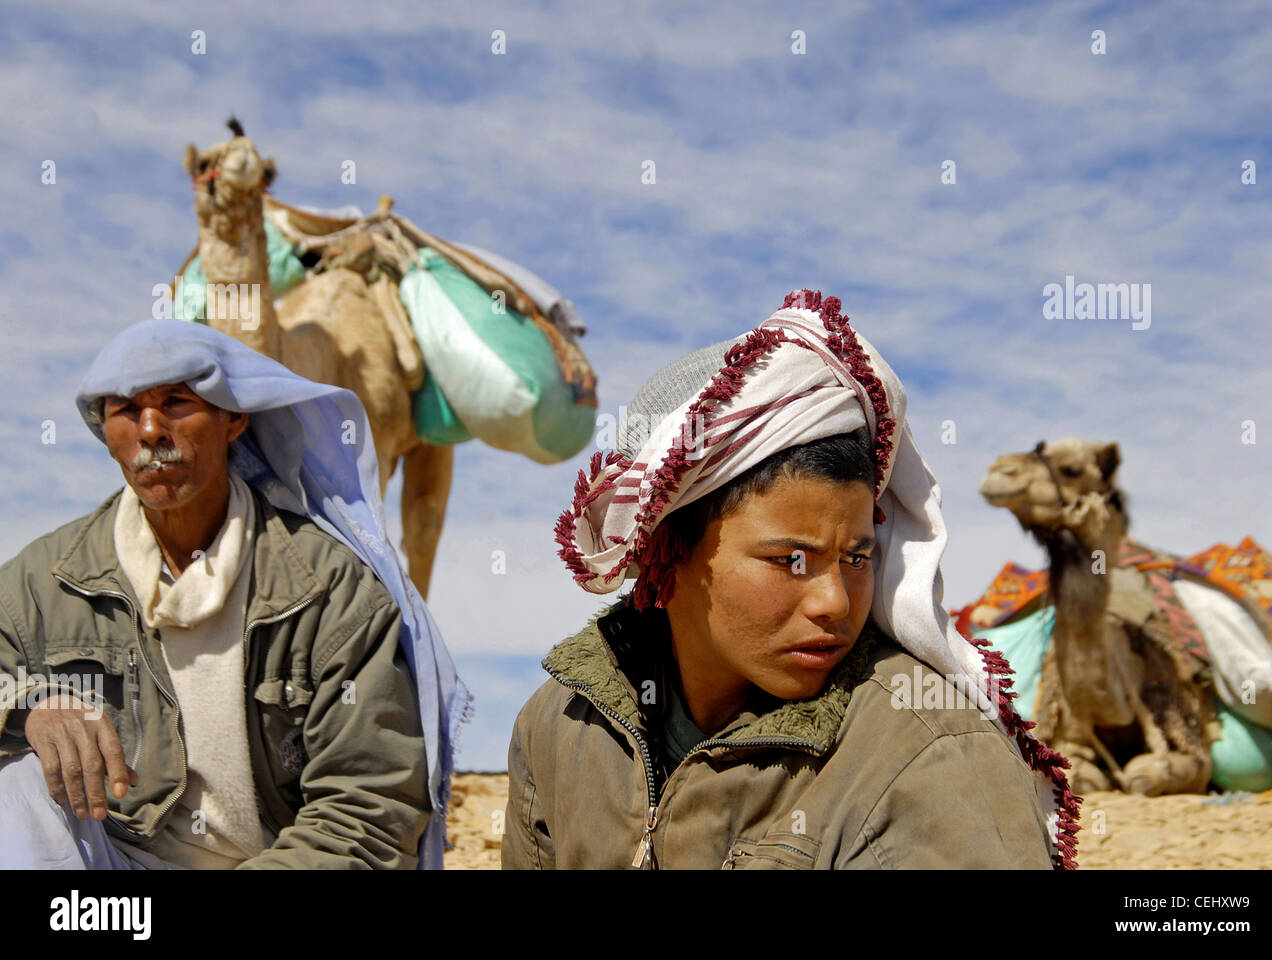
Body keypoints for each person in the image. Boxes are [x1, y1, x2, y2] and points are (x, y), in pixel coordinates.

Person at [504, 289, 1080, 869]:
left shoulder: (928, 754)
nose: (834, 603)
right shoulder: (561, 728)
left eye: (857, 557)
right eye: (791, 561)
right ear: (667, 549)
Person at [0, 319, 470, 869]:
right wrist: (25, 705)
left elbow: (367, 806)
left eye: (175, 402)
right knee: (15, 785)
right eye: (126, 411)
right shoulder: (45, 581)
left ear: (234, 418)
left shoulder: (330, 589)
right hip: (116, 875)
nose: (150, 428)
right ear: (106, 433)